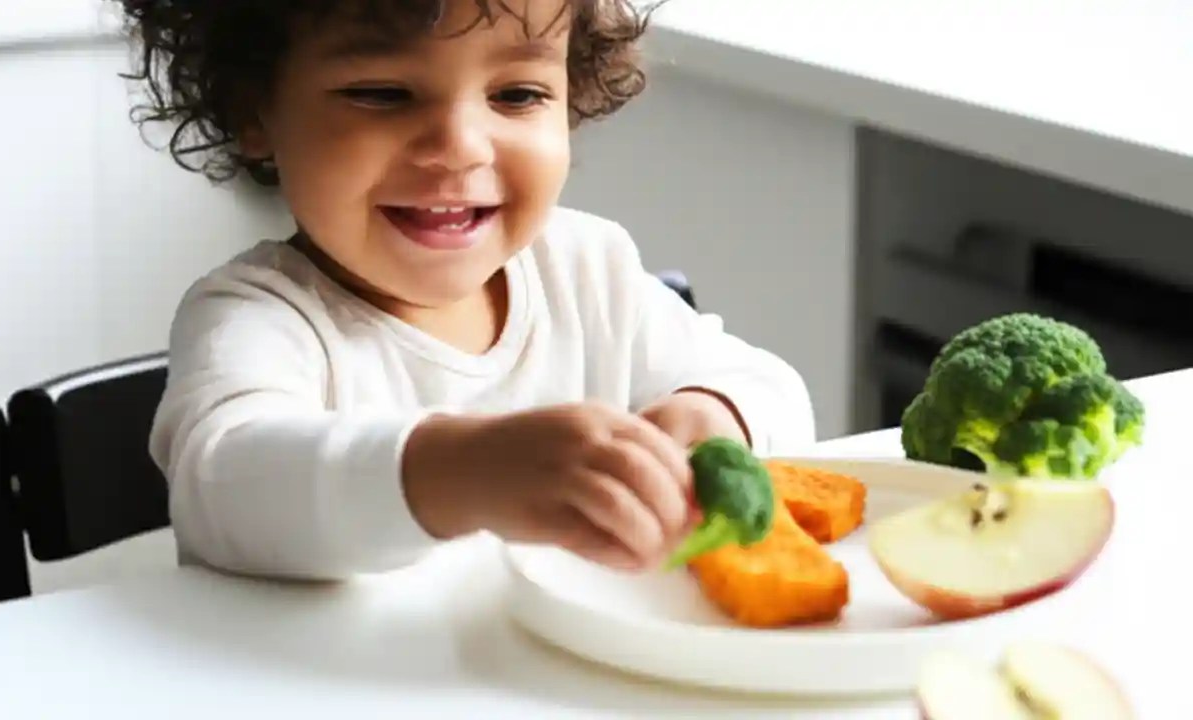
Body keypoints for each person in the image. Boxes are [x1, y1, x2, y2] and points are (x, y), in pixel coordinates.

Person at [116, 0, 817, 582]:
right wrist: (468, 472)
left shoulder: (587, 270)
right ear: (255, 111)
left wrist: (711, 416)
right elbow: (228, 490)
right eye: (383, 93)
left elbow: (772, 387)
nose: (459, 146)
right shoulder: (256, 320)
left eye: (517, 94)